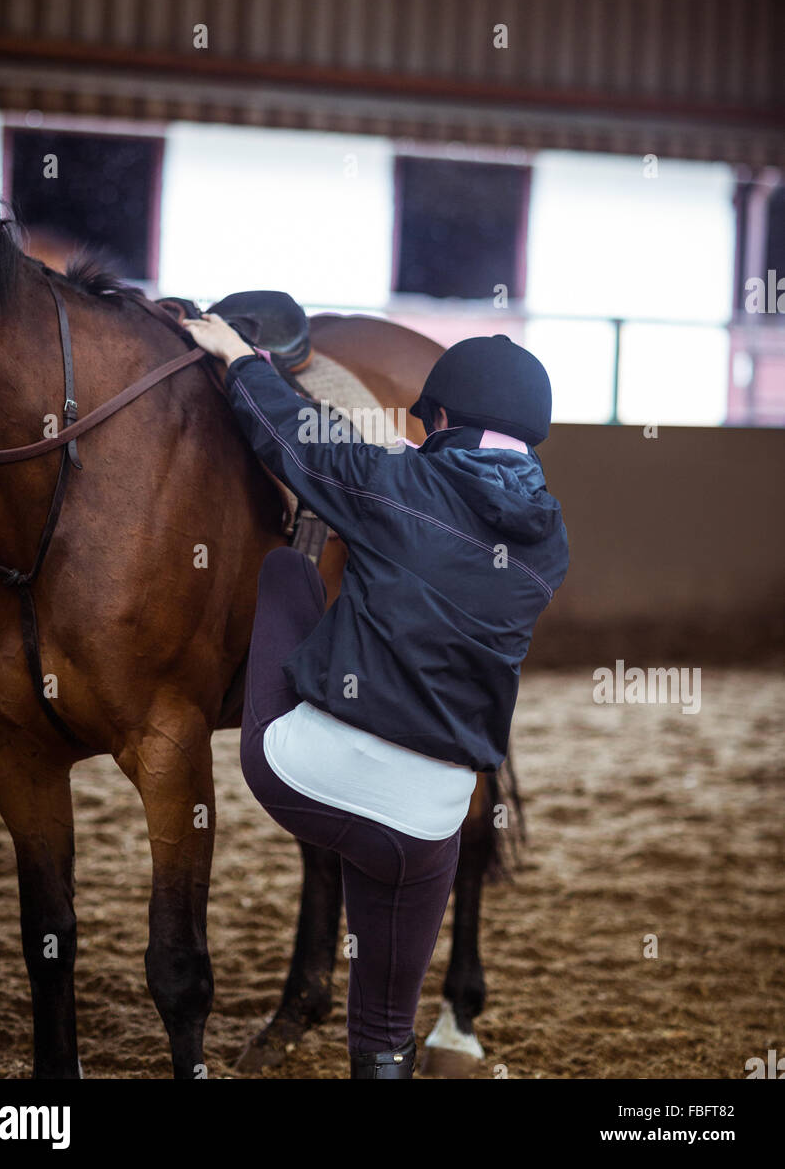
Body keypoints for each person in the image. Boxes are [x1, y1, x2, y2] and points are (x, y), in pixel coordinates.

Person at [184, 316, 570, 1078]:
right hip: (430, 825)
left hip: (303, 778)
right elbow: (456, 527)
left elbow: (291, 437)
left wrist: (235, 359)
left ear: (447, 420)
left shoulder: (396, 480)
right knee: (386, 1032)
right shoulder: (550, 542)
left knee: (289, 575)